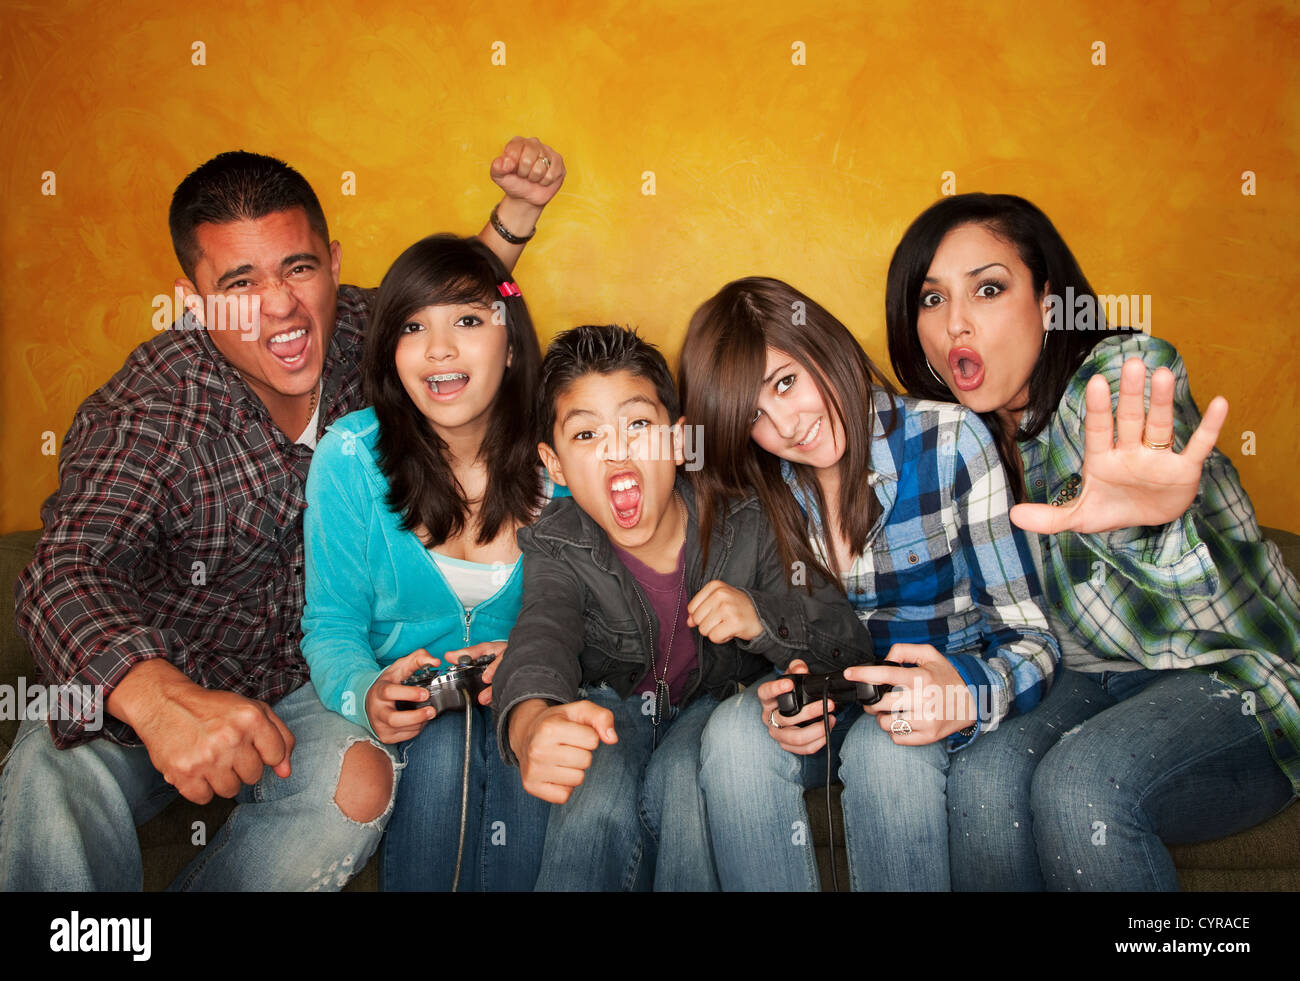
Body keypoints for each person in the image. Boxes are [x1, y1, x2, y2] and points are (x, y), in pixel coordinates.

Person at [2, 139, 564, 890]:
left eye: (298, 268)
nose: (279, 306)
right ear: (195, 300)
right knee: (51, 767)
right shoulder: (149, 408)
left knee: (360, 780)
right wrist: (161, 699)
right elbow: (64, 567)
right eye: (239, 283)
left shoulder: (365, 334)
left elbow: (458, 315)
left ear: (331, 264)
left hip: (306, 685)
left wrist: (515, 219)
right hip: (162, 678)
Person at [884, 191, 1300, 890]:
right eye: (931, 299)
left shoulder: (1112, 382)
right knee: (983, 778)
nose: (956, 321)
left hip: (1234, 675)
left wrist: (1152, 516)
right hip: (1093, 679)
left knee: (1081, 786)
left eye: (989, 288)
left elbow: (1173, 537)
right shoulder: (960, 445)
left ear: (1049, 305)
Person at [679, 277, 1059, 890]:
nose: (787, 425)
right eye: (754, 413)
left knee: (889, 751)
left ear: (821, 345)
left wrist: (961, 694)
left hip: (934, 699)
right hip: (835, 698)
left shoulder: (952, 441)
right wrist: (785, 693)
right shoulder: (760, 489)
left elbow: (1034, 642)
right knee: (731, 735)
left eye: (785, 382)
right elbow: (768, 634)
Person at [491, 324, 875, 891]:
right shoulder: (557, 541)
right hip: (612, 708)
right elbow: (541, 632)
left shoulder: (746, 519)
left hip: (712, 708)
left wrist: (759, 616)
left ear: (677, 439)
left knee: (682, 785)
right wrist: (527, 722)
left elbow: (845, 639)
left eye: (638, 424)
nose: (617, 450)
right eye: (587, 435)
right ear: (555, 465)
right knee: (590, 800)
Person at [301, 234, 558, 891]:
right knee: (442, 749)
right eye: (414, 326)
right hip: (414, 732)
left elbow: (610, 615)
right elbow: (331, 627)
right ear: (391, 349)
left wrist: (535, 661)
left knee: (517, 742)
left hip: (526, 709)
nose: (439, 348)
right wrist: (369, 693)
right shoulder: (351, 456)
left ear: (510, 340)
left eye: (467, 320)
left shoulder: (563, 462)